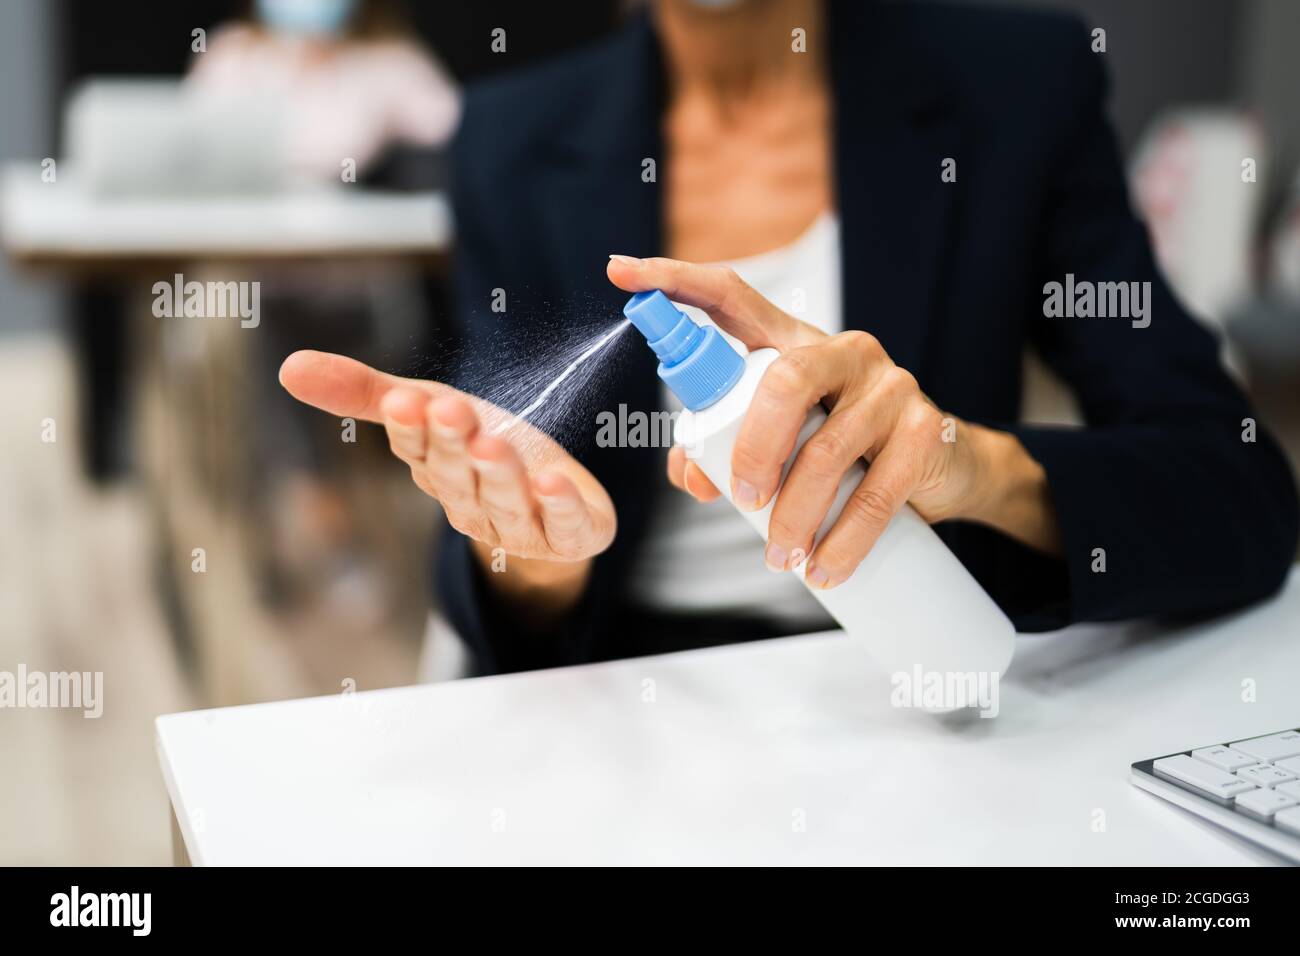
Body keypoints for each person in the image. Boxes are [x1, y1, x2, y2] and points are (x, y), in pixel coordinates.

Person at [280, 0, 1299, 675]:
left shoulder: (1012, 87)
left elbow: (1238, 495)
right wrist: (533, 558)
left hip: (929, 674)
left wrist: (969, 464)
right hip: (645, 692)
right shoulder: (508, 139)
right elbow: (506, 569)